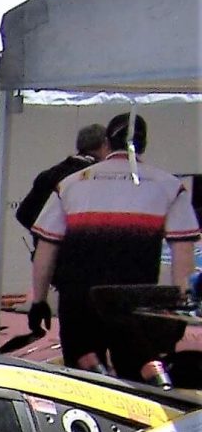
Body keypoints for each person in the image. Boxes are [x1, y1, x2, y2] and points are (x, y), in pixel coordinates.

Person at [29, 113, 200, 380]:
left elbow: (46, 250)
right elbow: (183, 258)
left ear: (106, 143)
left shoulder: (72, 184)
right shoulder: (169, 187)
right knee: (137, 385)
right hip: (133, 304)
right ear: (143, 145)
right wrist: (179, 308)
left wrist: (39, 300)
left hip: (79, 303)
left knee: (83, 385)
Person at [15, 123, 106, 235]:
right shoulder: (98, 178)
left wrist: (44, 236)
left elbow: (23, 214)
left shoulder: (48, 175)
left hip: (46, 248)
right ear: (104, 145)